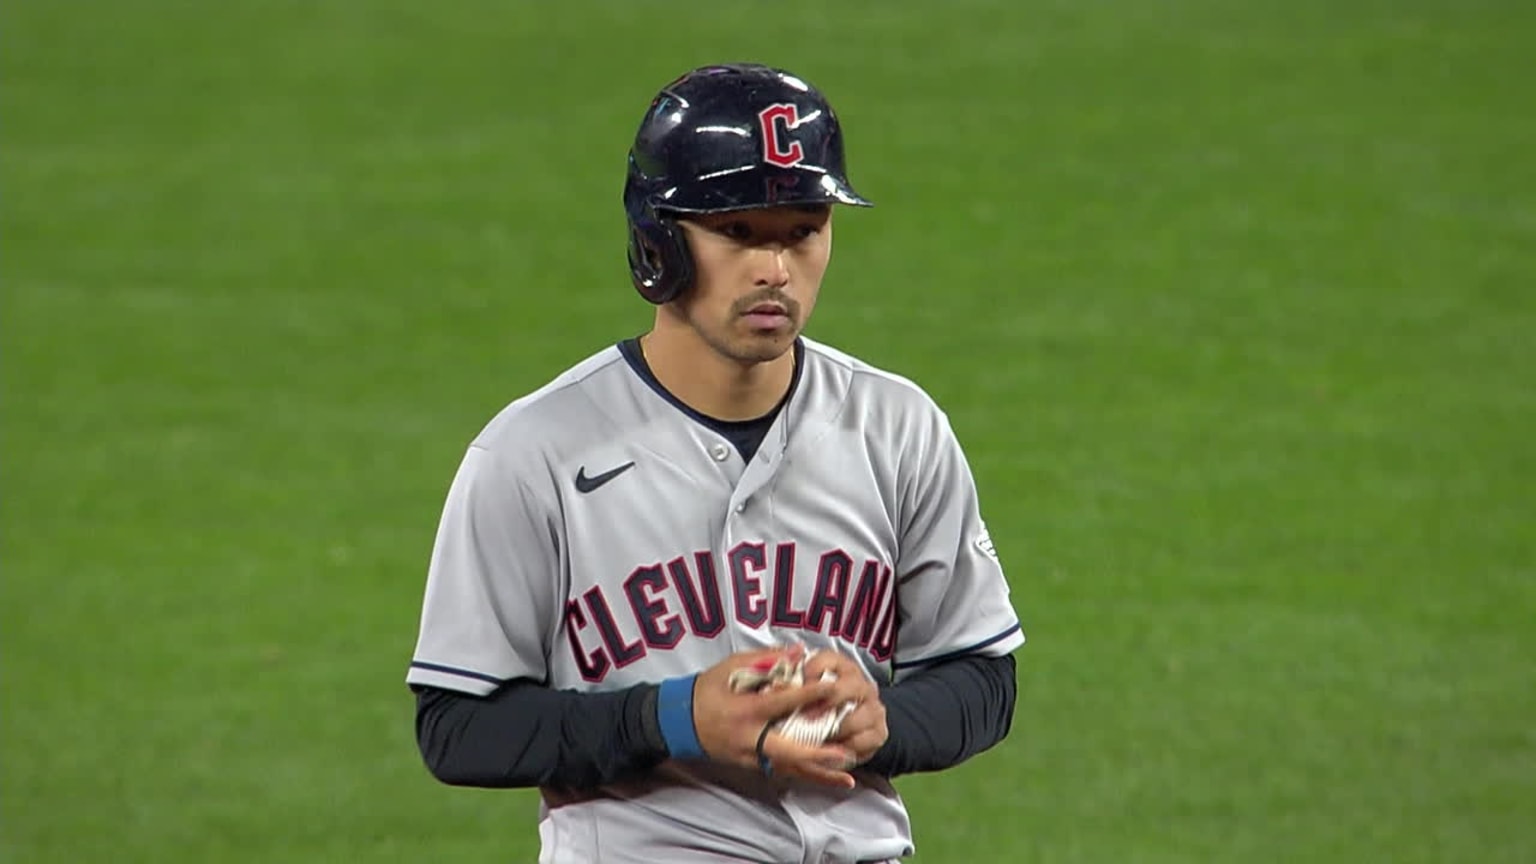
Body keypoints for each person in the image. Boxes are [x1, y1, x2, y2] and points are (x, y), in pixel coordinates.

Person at [406, 62, 1026, 864]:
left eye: (802, 231)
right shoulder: (534, 453)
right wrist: (675, 719)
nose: (774, 270)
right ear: (660, 241)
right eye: (737, 234)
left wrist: (887, 722)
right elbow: (458, 728)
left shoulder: (897, 425)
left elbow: (981, 673)